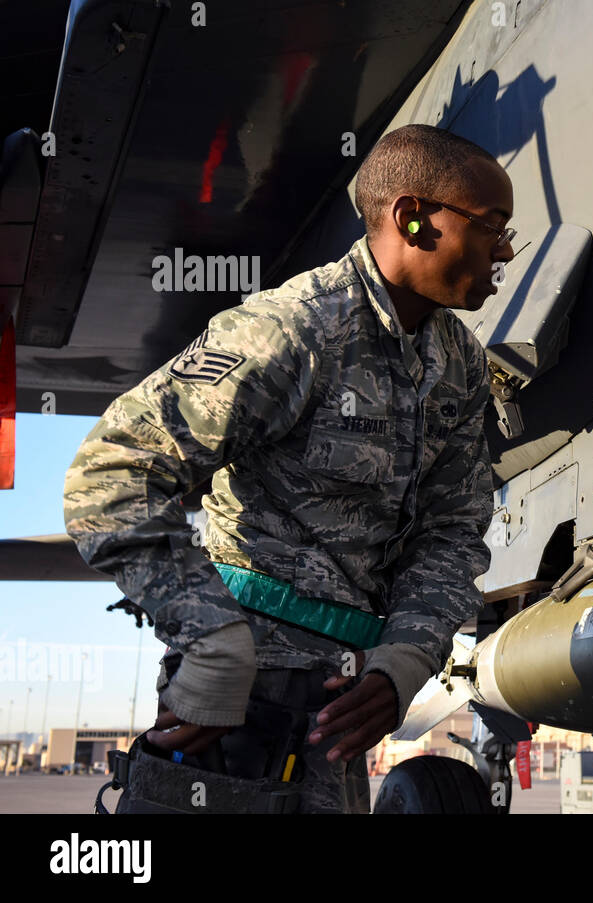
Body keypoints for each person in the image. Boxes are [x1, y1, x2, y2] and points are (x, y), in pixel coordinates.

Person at [64, 124, 514, 813]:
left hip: (341, 714)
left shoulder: (456, 366)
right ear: (412, 219)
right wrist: (212, 646)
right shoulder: (294, 330)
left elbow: (452, 533)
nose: (505, 250)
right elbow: (112, 471)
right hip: (231, 716)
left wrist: (402, 665)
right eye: (490, 226)